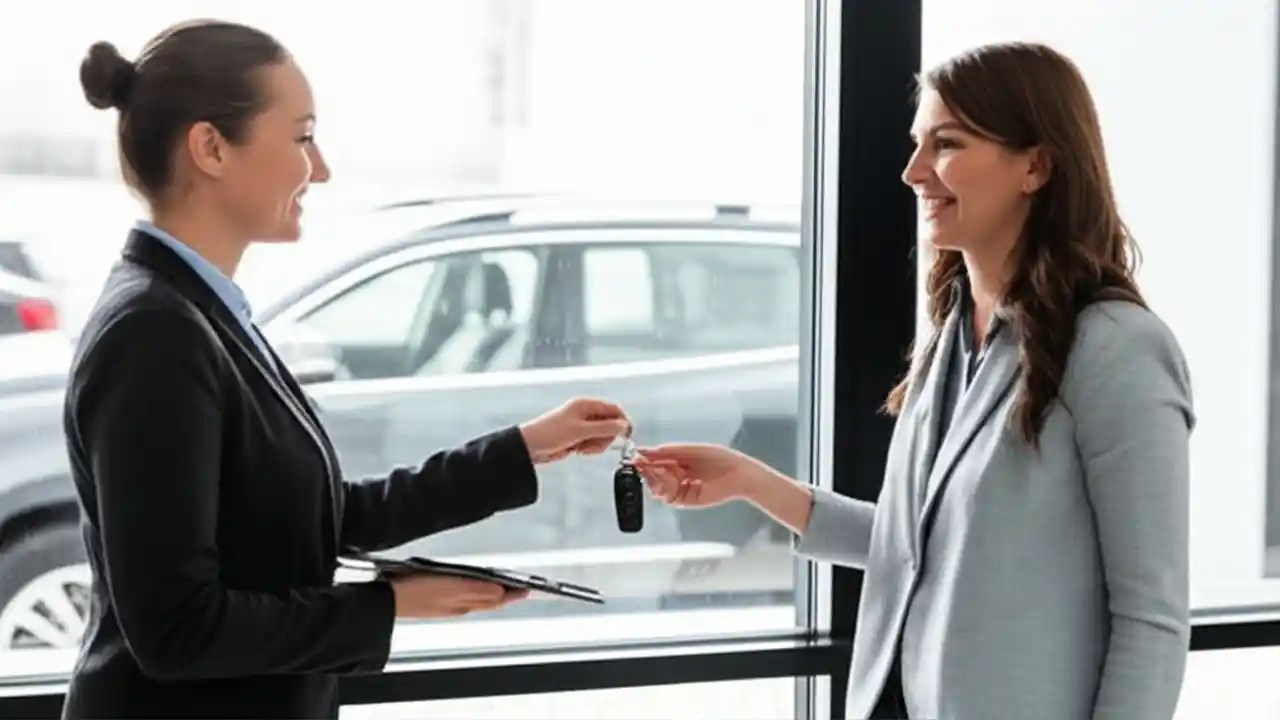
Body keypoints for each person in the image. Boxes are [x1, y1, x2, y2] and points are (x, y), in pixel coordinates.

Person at [64, 20, 631, 720]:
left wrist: (521, 451)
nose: (320, 167)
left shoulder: (199, 314)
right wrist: (383, 608)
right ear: (211, 148)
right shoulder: (155, 334)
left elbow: (314, 519)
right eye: (302, 137)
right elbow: (177, 629)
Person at [635, 41, 1193, 720]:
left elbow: (1151, 619)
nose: (913, 172)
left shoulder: (1116, 349)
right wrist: (754, 484)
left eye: (947, 144)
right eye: (916, 144)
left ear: (1037, 165)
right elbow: (922, 552)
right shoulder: (953, 336)